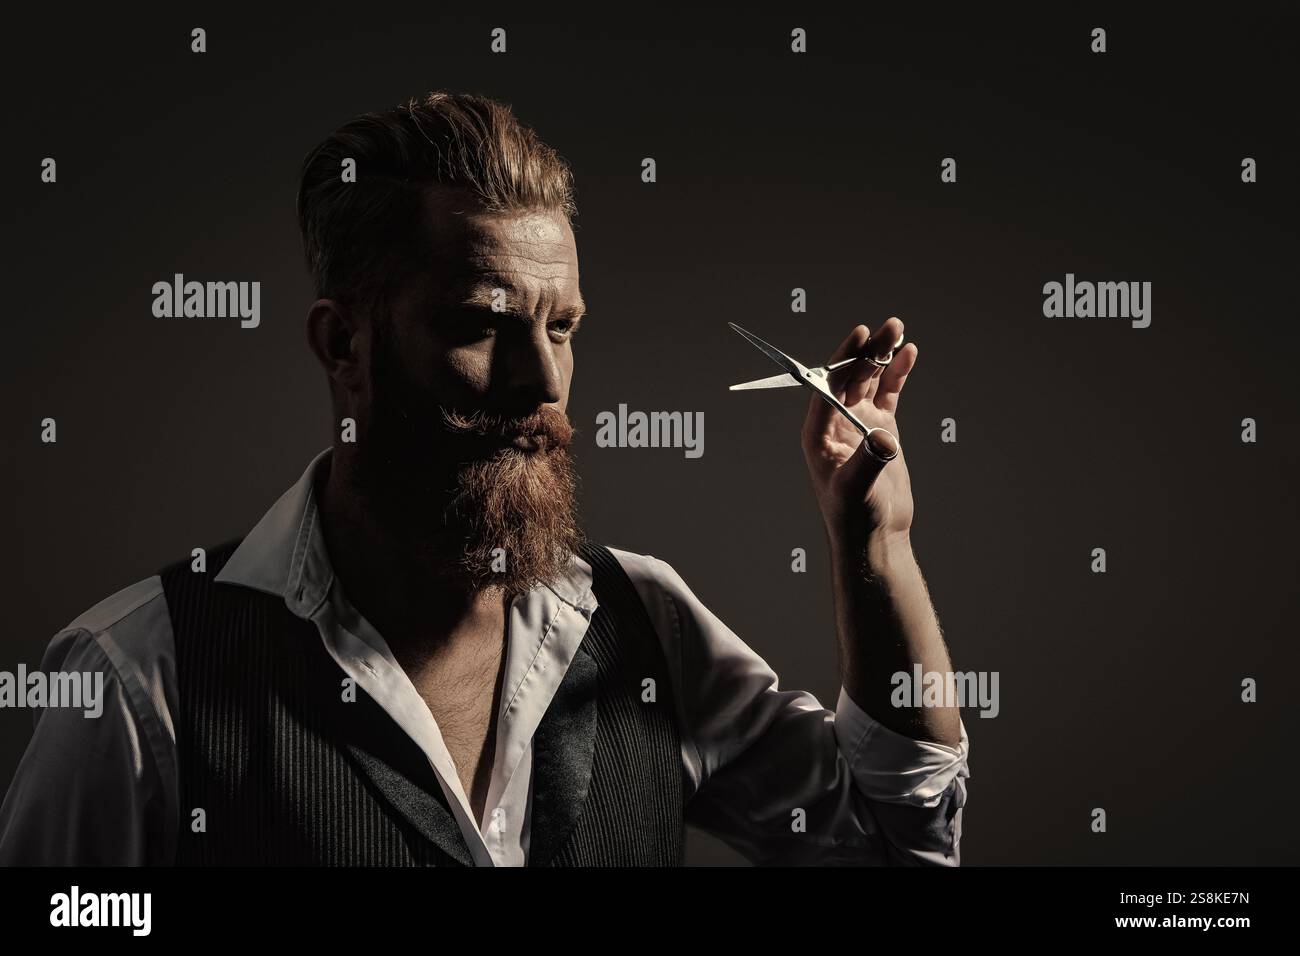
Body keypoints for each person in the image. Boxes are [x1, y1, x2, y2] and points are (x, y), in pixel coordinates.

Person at [0, 91, 969, 866]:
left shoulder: (644, 625)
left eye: (562, 329)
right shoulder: (144, 678)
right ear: (346, 346)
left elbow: (892, 844)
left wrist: (875, 548)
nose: (541, 383)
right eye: (479, 326)